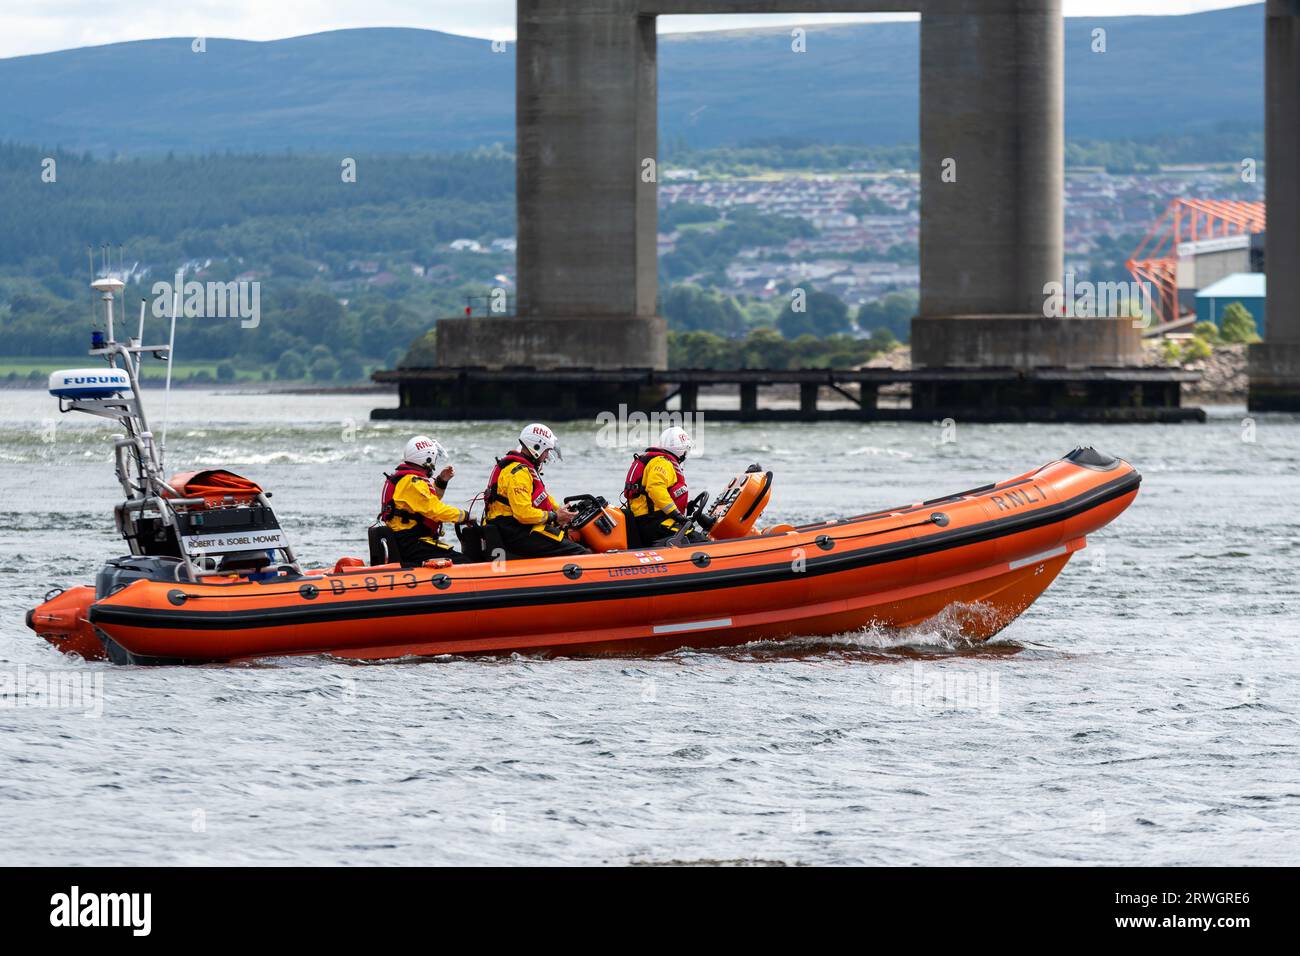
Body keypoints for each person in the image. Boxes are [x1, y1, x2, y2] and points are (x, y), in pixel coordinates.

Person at [483, 423, 589, 558]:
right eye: (546, 451)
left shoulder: (525, 470)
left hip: (517, 529)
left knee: (571, 539)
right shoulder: (519, 473)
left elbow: (545, 499)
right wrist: (555, 516)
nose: (546, 456)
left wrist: (565, 514)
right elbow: (523, 513)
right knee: (580, 552)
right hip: (513, 532)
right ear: (536, 448)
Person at [378, 435, 473, 564]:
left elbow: (423, 503)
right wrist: (464, 516)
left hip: (407, 541)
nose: (434, 463)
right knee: (463, 561)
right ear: (427, 458)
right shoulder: (413, 482)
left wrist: (441, 482)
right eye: (433, 459)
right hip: (411, 544)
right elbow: (435, 510)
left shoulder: (406, 479)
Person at [623, 426, 714, 546]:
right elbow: (655, 488)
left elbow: (661, 493)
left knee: (694, 535)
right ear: (682, 450)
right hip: (655, 523)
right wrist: (676, 514)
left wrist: (687, 507)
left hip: (648, 521)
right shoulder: (663, 463)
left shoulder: (654, 460)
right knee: (701, 542)